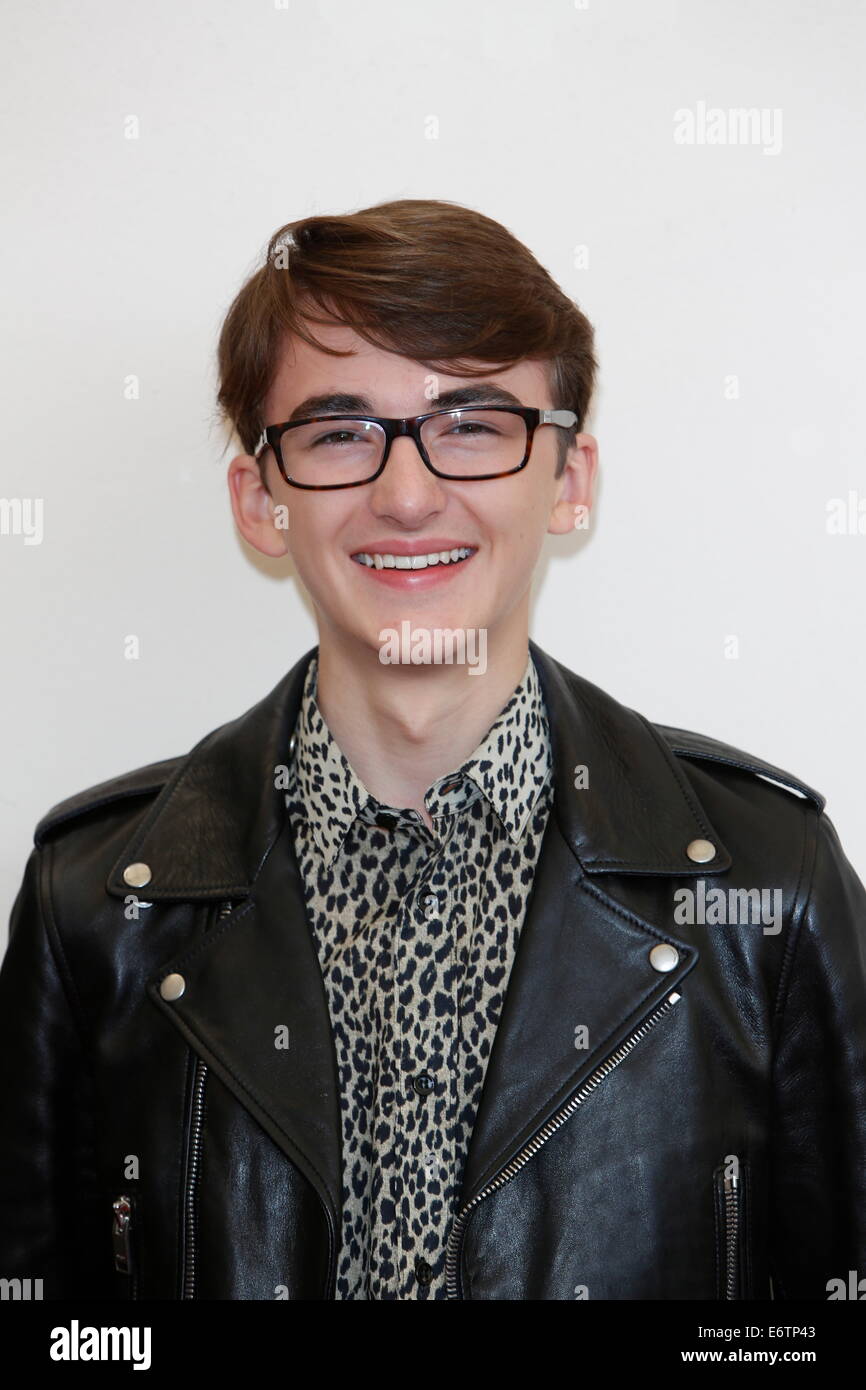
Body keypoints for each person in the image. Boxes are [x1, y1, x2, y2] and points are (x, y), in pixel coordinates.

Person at [1, 198, 864, 1302]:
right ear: (259, 500)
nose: (406, 496)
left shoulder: (762, 882)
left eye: (469, 422)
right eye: (338, 431)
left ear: (567, 478)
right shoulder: (96, 903)